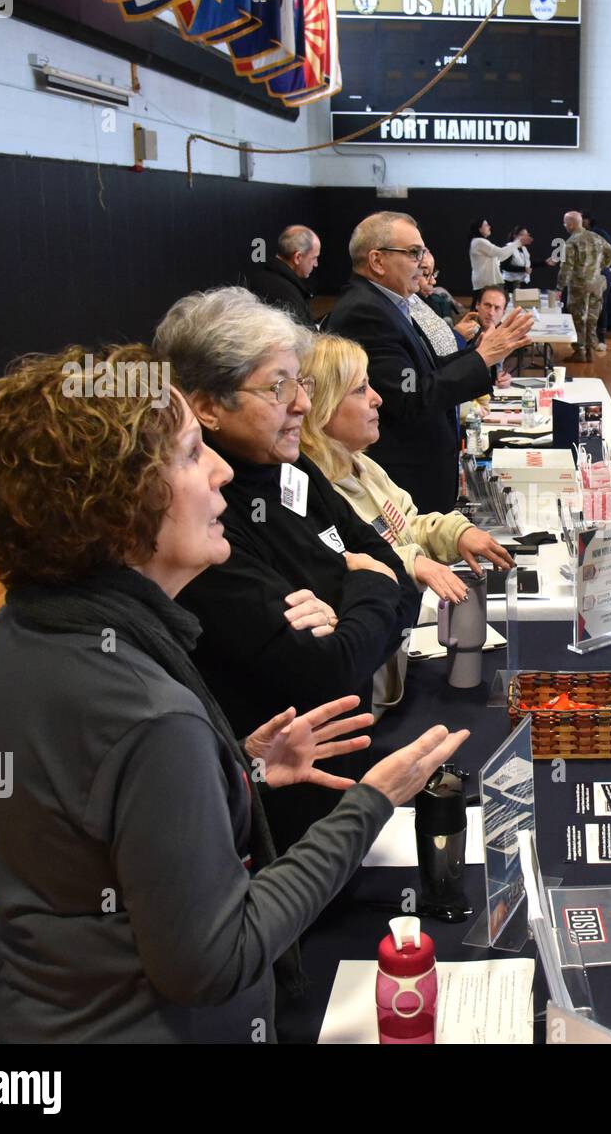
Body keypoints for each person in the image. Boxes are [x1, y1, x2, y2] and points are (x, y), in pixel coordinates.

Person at [0, 346, 467, 1042]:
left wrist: (234, 769)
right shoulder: (146, 713)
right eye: (194, 454)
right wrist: (367, 806)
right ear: (121, 503)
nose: (224, 469)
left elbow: (99, 834)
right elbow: (213, 958)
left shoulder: (14, 638)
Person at [156, 287, 423, 848]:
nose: (302, 403)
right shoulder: (200, 523)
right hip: (276, 833)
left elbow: (397, 578)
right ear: (207, 406)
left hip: (345, 791)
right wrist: (364, 585)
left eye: (299, 382)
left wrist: (355, 597)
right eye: (279, 387)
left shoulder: (292, 465)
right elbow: (330, 671)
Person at [323, 212, 533, 513]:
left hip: (424, 466)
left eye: (422, 252)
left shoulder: (390, 304)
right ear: (377, 260)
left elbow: (430, 369)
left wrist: (480, 354)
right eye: (413, 253)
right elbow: (412, 398)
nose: (423, 263)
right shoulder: (365, 312)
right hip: (407, 473)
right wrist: (481, 357)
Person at [300, 333, 514, 606]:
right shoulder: (312, 489)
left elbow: (407, 525)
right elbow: (340, 565)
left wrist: (456, 533)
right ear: (322, 407)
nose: (376, 398)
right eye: (360, 389)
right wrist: (412, 564)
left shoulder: (361, 465)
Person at [554, 210, 611, 364]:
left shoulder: (571, 242)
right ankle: (589, 351)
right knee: (592, 318)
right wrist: (599, 267)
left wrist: (559, 287)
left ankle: (579, 351)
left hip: (578, 286)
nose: (564, 225)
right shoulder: (596, 237)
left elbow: (566, 268)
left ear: (571, 224)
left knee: (578, 318)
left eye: (565, 223)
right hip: (596, 284)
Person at [246, 225, 319, 326]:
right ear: (298, 257)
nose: (316, 264)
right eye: (314, 258)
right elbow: (304, 338)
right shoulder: (288, 295)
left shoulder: (259, 279)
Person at [410, 250, 461, 358]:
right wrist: (458, 336)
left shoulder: (424, 302)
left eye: (433, 274)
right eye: (425, 274)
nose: (433, 281)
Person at [582, 213, 611, 351]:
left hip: (599, 277)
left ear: (587, 220)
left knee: (600, 306)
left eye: (581, 219)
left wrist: (601, 267)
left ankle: (601, 340)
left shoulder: (598, 233)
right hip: (590, 277)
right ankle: (589, 341)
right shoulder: (584, 234)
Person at [468, 218, 528, 292]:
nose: (489, 227)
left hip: (487, 282)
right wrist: (518, 242)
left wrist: (516, 244)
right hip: (485, 283)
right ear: (479, 229)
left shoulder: (479, 242)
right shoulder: (479, 242)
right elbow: (501, 253)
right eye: (486, 225)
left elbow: (500, 257)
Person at [500, 225, 533, 290]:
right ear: (515, 235)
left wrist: (544, 263)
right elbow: (504, 266)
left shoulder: (524, 248)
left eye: (526, 235)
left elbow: (527, 264)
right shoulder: (509, 247)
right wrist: (523, 269)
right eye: (522, 235)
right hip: (510, 283)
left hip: (524, 282)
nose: (525, 237)